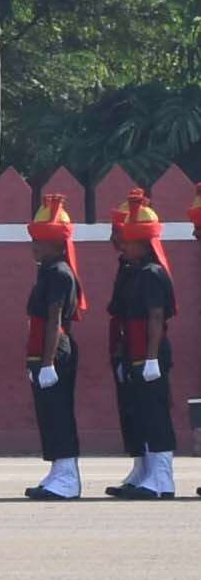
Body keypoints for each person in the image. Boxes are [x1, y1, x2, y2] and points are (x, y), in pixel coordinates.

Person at [106, 195, 176, 500]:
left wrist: (150, 358)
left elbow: (156, 317)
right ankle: (143, 470)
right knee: (136, 412)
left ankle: (162, 478)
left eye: (125, 237)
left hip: (150, 353)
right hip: (132, 350)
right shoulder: (130, 269)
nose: (119, 242)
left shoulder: (151, 274)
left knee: (155, 413)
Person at [22, 196, 88, 501]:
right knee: (47, 414)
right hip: (41, 353)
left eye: (40, 241)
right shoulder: (46, 271)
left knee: (59, 413)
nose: (34, 246)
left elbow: (54, 319)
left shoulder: (60, 273)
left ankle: (68, 477)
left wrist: (47, 362)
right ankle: (57, 471)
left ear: (55, 244)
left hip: (55, 352)